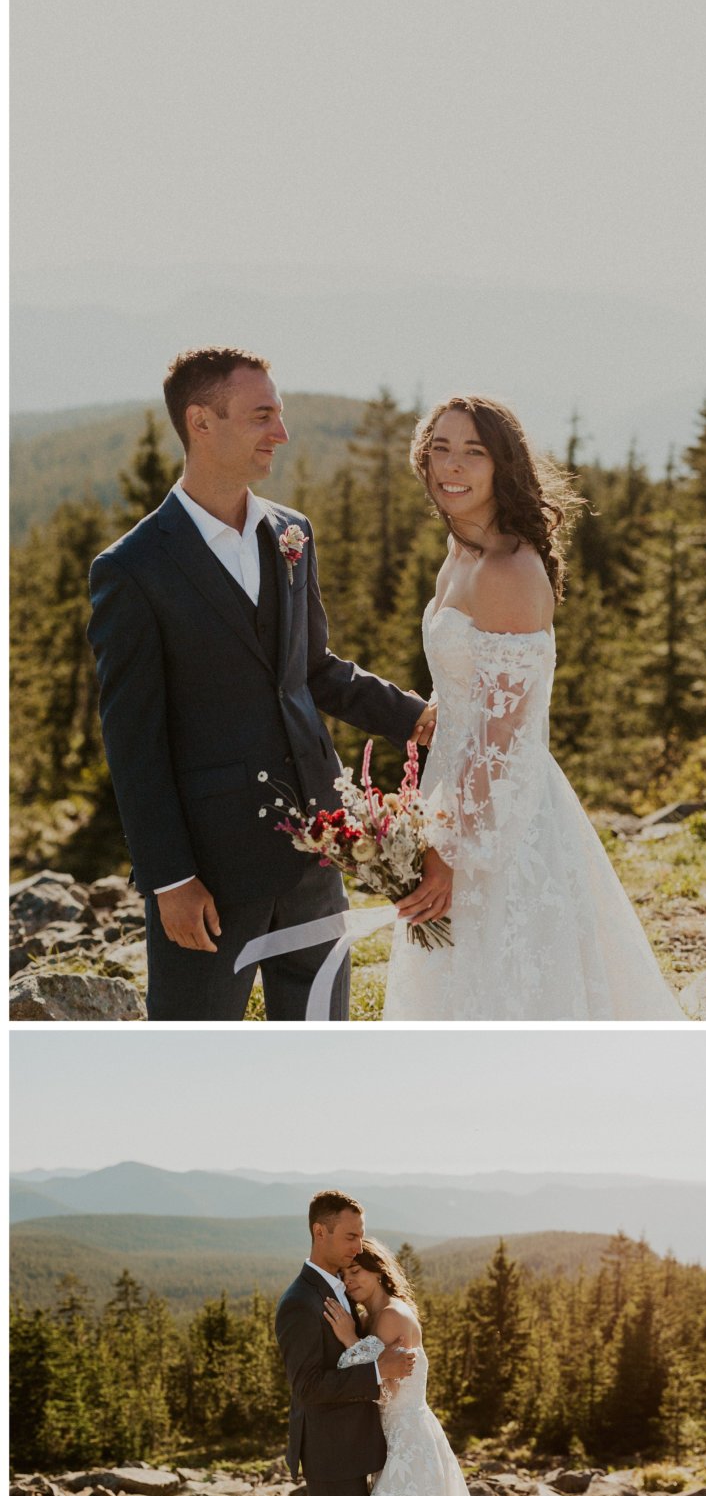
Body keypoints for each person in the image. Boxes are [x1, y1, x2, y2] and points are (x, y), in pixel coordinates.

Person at [87, 348, 432, 1020]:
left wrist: (417, 717)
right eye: (262, 416)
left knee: (318, 1044)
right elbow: (133, 742)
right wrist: (172, 878)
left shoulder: (291, 533)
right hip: (211, 873)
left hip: (316, 848)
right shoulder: (133, 570)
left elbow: (312, 668)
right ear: (202, 423)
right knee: (196, 1056)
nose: (282, 432)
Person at [383, 394, 688, 1020]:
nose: (452, 466)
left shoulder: (510, 570)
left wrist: (448, 850)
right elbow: (468, 685)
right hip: (452, 782)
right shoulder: (459, 550)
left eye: (474, 452)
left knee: (506, 970)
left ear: (503, 466)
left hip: (498, 806)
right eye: (439, 448)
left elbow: (501, 737)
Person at [275, 1192, 417, 1496]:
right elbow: (307, 1387)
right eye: (350, 1236)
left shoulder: (341, 1288)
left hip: (354, 1449)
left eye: (361, 1236)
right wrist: (378, 1370)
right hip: (331, 1453)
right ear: (320, 1231)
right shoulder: (300, 1301)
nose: (358, 1246)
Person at [323, 1237, 486, 1496]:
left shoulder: (392, 1316)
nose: (349, 1281)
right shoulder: (366, 1317)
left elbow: (388, 1391)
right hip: (388, 1439)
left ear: (379, 1271)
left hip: (408, 1439)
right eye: (344, 1276)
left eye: (356, 1271)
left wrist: (349, 1339)